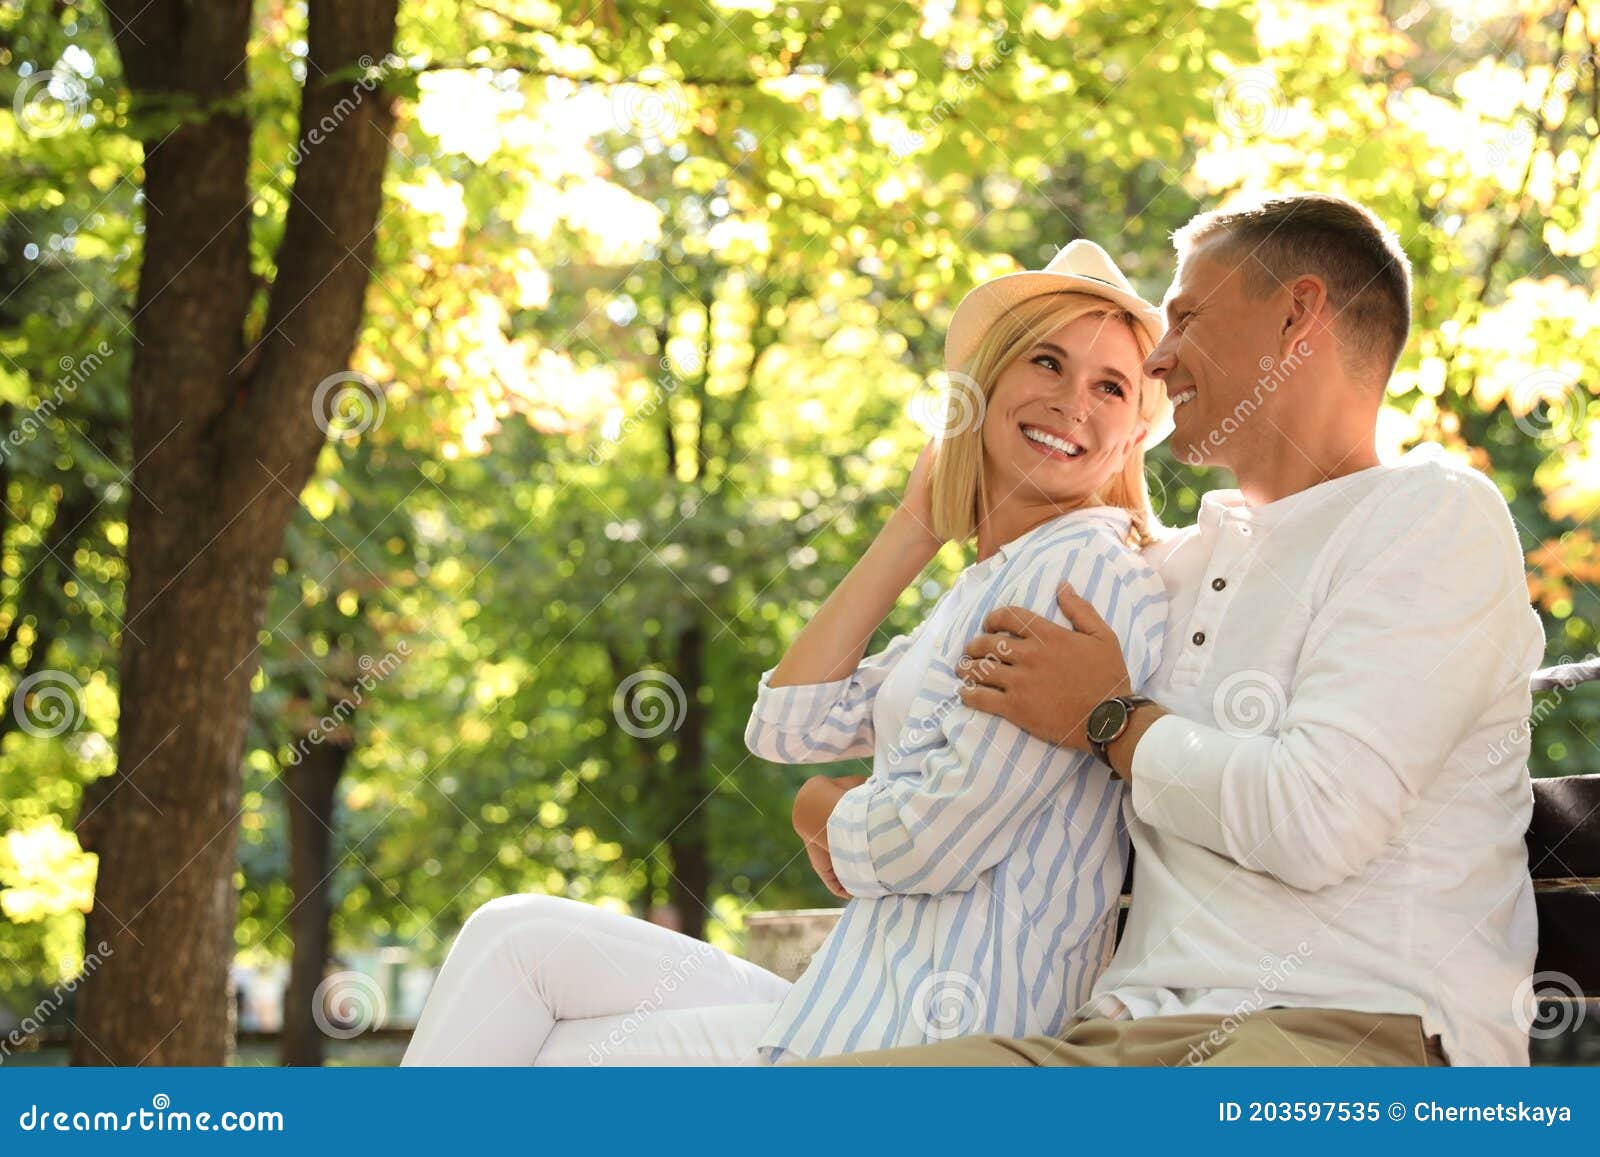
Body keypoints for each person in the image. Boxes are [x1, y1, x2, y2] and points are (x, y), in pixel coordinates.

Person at [804, 192, 1547, 1069]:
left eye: (1186, 316)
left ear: (1298, 313)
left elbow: (1315, 821)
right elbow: (884, 713)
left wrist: (1110, 718)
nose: (1160, 357)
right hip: (1114, 1041)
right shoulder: (1156, 573)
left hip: (1346, 1038)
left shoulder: (1430, 515)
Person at [401, 240, 1172, 1065]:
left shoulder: (1082, 564)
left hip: (928, 1036)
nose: (1071, 403)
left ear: (1130, 439)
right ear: (978, 393)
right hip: (855, 998)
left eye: (1110, 387)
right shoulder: (989, 581)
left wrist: (817, 809)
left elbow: (931, 840)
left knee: (546, 1054)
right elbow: (786, 725)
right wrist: (912, 527)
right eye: (1046, 363)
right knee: (515, 939)